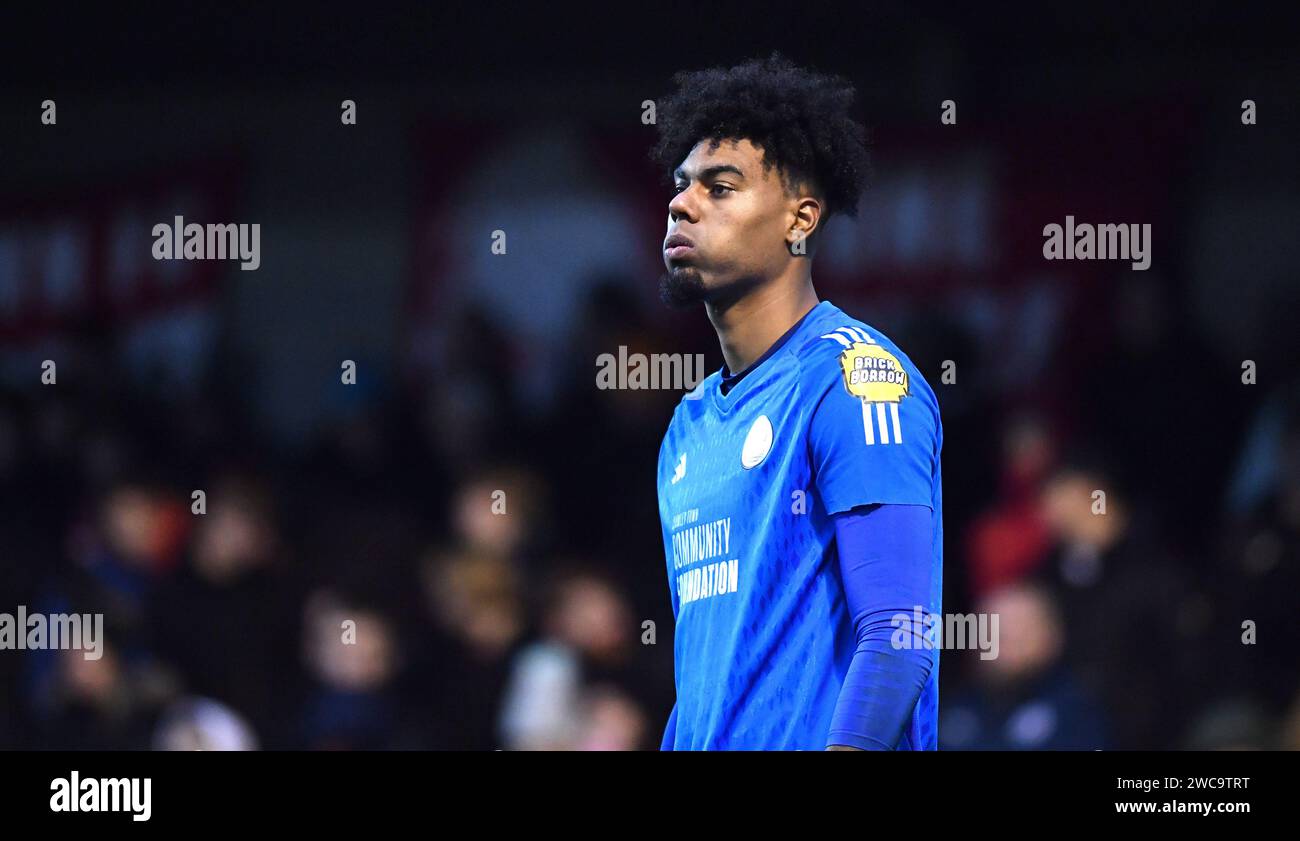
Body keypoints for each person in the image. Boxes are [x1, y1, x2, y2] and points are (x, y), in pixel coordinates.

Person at [651, 54, 943, 750]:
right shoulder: (688, 427)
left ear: (801, 220)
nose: (682, 203)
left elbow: (899, 637)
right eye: (681, 185)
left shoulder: (858, 381)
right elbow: (706, 683)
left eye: (720, 188)